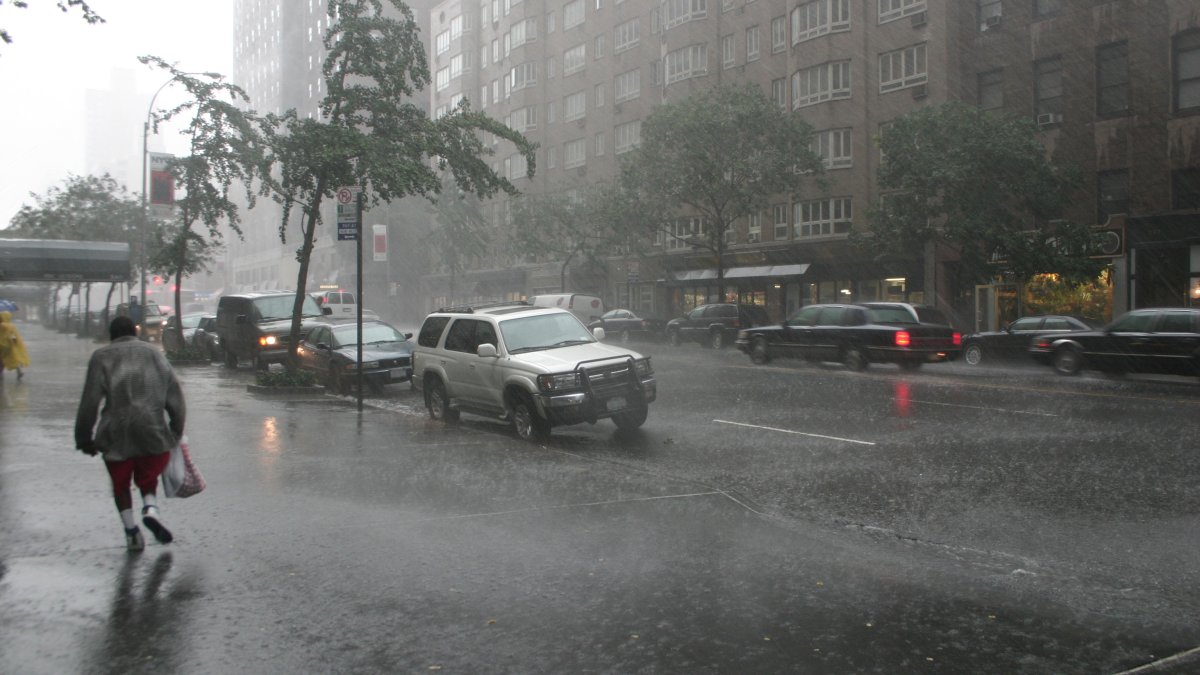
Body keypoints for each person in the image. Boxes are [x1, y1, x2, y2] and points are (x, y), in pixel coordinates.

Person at [75, 316, 186, 551]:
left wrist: (83, 438)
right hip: (152, 428)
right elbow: (174, 394)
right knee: (148, 477)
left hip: (115, 431)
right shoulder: (154, 354)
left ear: (111, 335)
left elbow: (90, 401)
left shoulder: (101, 357)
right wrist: (176, 429)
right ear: (135, 332)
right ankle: (150, 508)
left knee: (120, 484)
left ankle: (131, 533)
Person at [0, 310, 30, 381]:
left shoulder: (2, 325)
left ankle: (1, 374)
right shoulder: (11, 325)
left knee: (1, 359)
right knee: (13, 358)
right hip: (10, 345)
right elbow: (14, 335)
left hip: (2, 345)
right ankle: (19, 371)